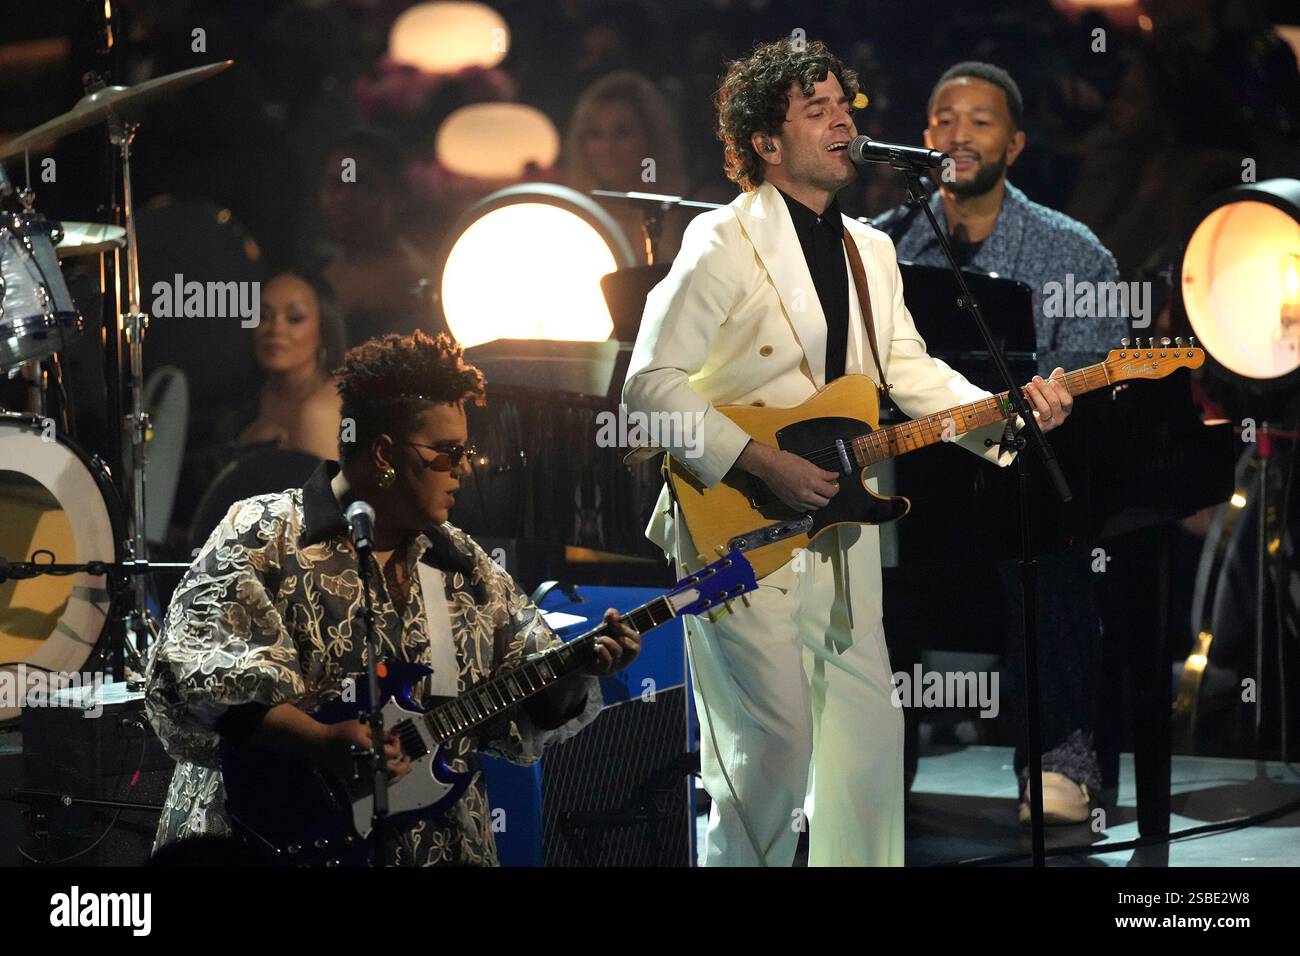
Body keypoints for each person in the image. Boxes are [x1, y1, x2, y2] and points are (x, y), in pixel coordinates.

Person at [622, 38, 1073, 866]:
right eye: (816, 108)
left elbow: (911, 372)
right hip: (738, 520)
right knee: (771, 748)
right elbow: (648, 386)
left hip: (843, 520)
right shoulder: (722, 241)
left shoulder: (871, 250)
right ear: (765, 140)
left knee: (867, 742)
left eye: (845, 103)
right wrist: (760, 461)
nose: (843, 120)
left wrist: (1012, 413)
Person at [145, 330, 640, 866]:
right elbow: (194, 678)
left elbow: (522, 707)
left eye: (465, 452)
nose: (463, 468)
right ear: (383, 452)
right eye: (447, 452)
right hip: (265, 840)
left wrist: (576, 671)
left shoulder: (464, 567)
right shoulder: (265, 532)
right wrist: (320, 740)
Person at [874, 62, 1127, 825]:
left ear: (1014, 144)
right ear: (923, 140)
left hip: (1018, 493)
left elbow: (1099, 381)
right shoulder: (881, 246)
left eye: (980, 122)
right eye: (945, 120)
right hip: (905, 493)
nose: (959, 134)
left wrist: (1058, 404)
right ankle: (869, 761)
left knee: (1050, 534)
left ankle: (1059, 760)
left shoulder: (1074, 253)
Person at [562, 70, 689, 264]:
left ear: (651, 137)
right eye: (596, 134)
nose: (607, 148)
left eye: (622, 133)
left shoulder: (688, 213)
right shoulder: (573, 219)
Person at [236, 271, 346, 460]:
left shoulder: (321, 411)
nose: (276, 329)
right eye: (263, 316)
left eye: (294, 318)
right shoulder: (255, 395)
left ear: (323, 329)